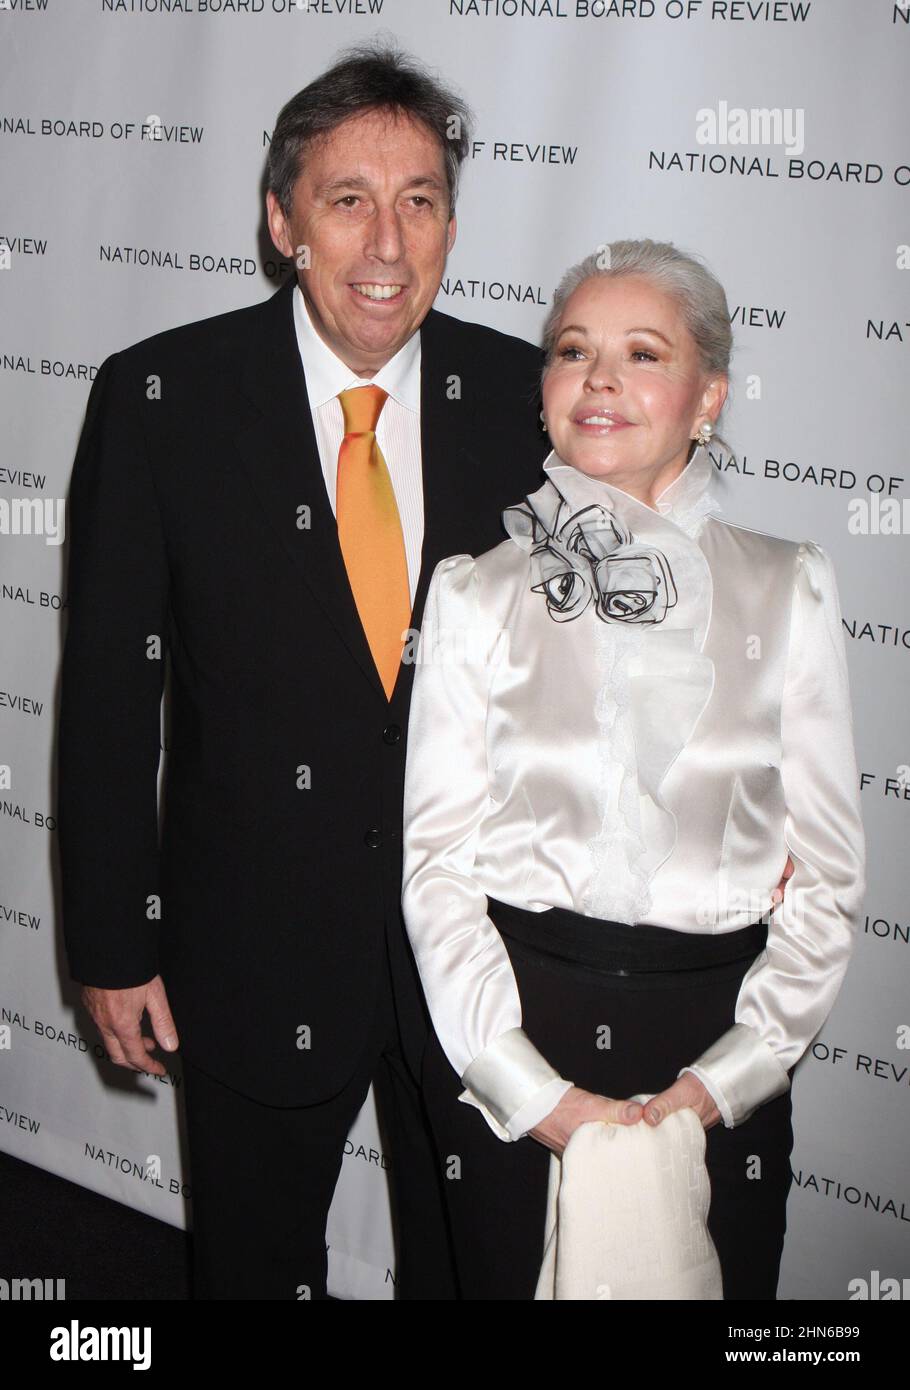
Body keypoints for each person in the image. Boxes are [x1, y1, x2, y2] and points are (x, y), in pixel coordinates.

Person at [56, 41, 551, 1300]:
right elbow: (112, 696)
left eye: (420, 200)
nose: (387, 243)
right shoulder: (162, 400)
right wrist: (114, 941)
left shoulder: (529, 402)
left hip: (479, 961)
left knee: (474, 1274)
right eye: (348, 200)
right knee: (256, 1271)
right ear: (282, 222)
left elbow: (603, 654)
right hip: (249, 949)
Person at [400, 239, 866, 1301]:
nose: (598, 379)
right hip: (509, 1035)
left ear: (708, 395)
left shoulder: (788, 588)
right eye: (572, 351)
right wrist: (532, 1092)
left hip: (716, 1046)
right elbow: (435, 867)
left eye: (641, 353)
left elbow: (827, 881)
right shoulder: (474, 593)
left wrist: (719, 1084)